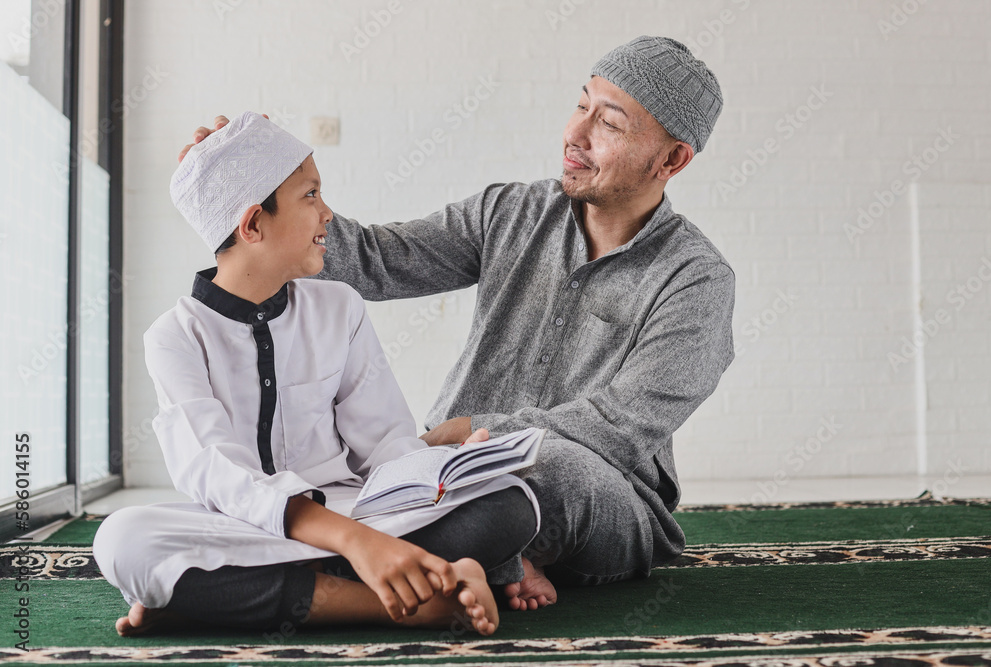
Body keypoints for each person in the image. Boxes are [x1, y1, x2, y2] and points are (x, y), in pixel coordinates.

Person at [182, 36, 735, 612]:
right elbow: (375, 261)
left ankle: (360, 567)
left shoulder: (696, 279)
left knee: (545, 460)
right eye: (580, 105)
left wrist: (476, 429)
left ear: (670, 160)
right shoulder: (510, 212)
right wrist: (255, 191)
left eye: (610, 125)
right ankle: (487, 561)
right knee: (373, 470)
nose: (575, 134)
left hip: (599, 499)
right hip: (453, 473)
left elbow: (624, 423)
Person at [95, 112, 540, 637]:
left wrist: (440, 472)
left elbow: (385, 446)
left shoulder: (340, 308)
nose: (328, 213)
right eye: (310, 195)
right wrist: (359, 545)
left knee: (509, 502)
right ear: (253, 224)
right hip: (243, 525)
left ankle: (228, 596)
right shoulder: (174, 337)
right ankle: (428, 604)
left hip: (362, 515)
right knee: (125, 540)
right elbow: (217, 474)